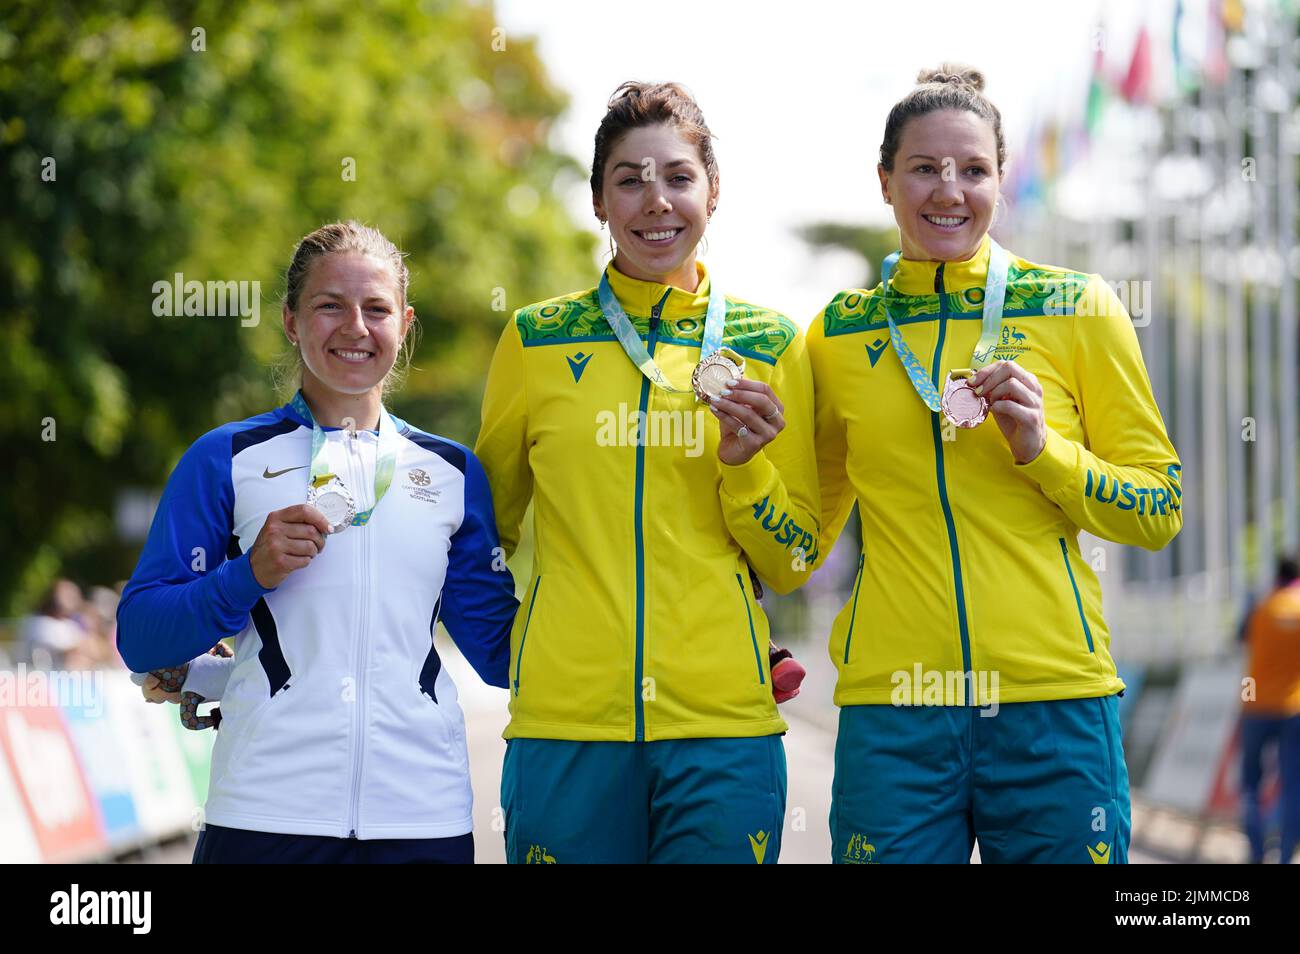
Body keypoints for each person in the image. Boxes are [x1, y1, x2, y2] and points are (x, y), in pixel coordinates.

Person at [808, 65, 1183, 863]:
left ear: (1000, 181)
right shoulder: (835, 335)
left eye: (973, 169)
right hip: (896, 710)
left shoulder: (1077, 305)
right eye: (925, 168)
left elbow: (1157, 511)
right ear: (885, 180)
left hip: (1052, 704)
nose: (950, 189)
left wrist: (1046, 453)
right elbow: (800, 537)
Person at [475, 82, 820, 863]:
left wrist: (745, 471)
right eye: (628, 180)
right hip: (567, 725)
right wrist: (523, 653)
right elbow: (480, 528)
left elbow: (794, 560)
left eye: (677, 177)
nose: (654, 201)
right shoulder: (535, 338)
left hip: (721, 727)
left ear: (713, 191)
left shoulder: (773, 342)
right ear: (599, 200)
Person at [117, 221, 517, 863]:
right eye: (330, 305)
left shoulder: (452, 472)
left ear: (405, 323)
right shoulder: (226, 456)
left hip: (420, 820)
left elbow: (502, 654)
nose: (355, 327)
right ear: (291, 322)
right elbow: (140, 636)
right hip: (263, 815)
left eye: (376, 309)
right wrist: (247, 575)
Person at [1238, 555, 1300, 863]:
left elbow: (1238, 640)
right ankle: (1286, 854)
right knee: (1293, 784)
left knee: (1250, 782)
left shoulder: (1260, 609)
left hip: (1255, 705)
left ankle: (1256, 852)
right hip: (1293, 708)